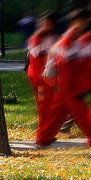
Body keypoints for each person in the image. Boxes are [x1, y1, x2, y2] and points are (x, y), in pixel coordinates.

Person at [35, 9, 91, 149]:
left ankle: (43, 139)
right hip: (69, 83)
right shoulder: (70, 37)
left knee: (56, 114)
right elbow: (66, 61)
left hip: (67, 83)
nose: (85, 24)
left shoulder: (72, 36)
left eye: (85, 21)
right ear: (76, 21)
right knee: (80, 113)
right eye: (83, 21)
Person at [26, 13, 60, 145]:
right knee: (43, 107)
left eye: (49, 23)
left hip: (47, 79)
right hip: (39, 80)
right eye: (45, 23)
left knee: (49, 106)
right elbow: (36, 58)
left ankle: (46, 134)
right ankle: (41, 137)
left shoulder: (51, 36)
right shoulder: (37, 38)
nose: (46, 26)